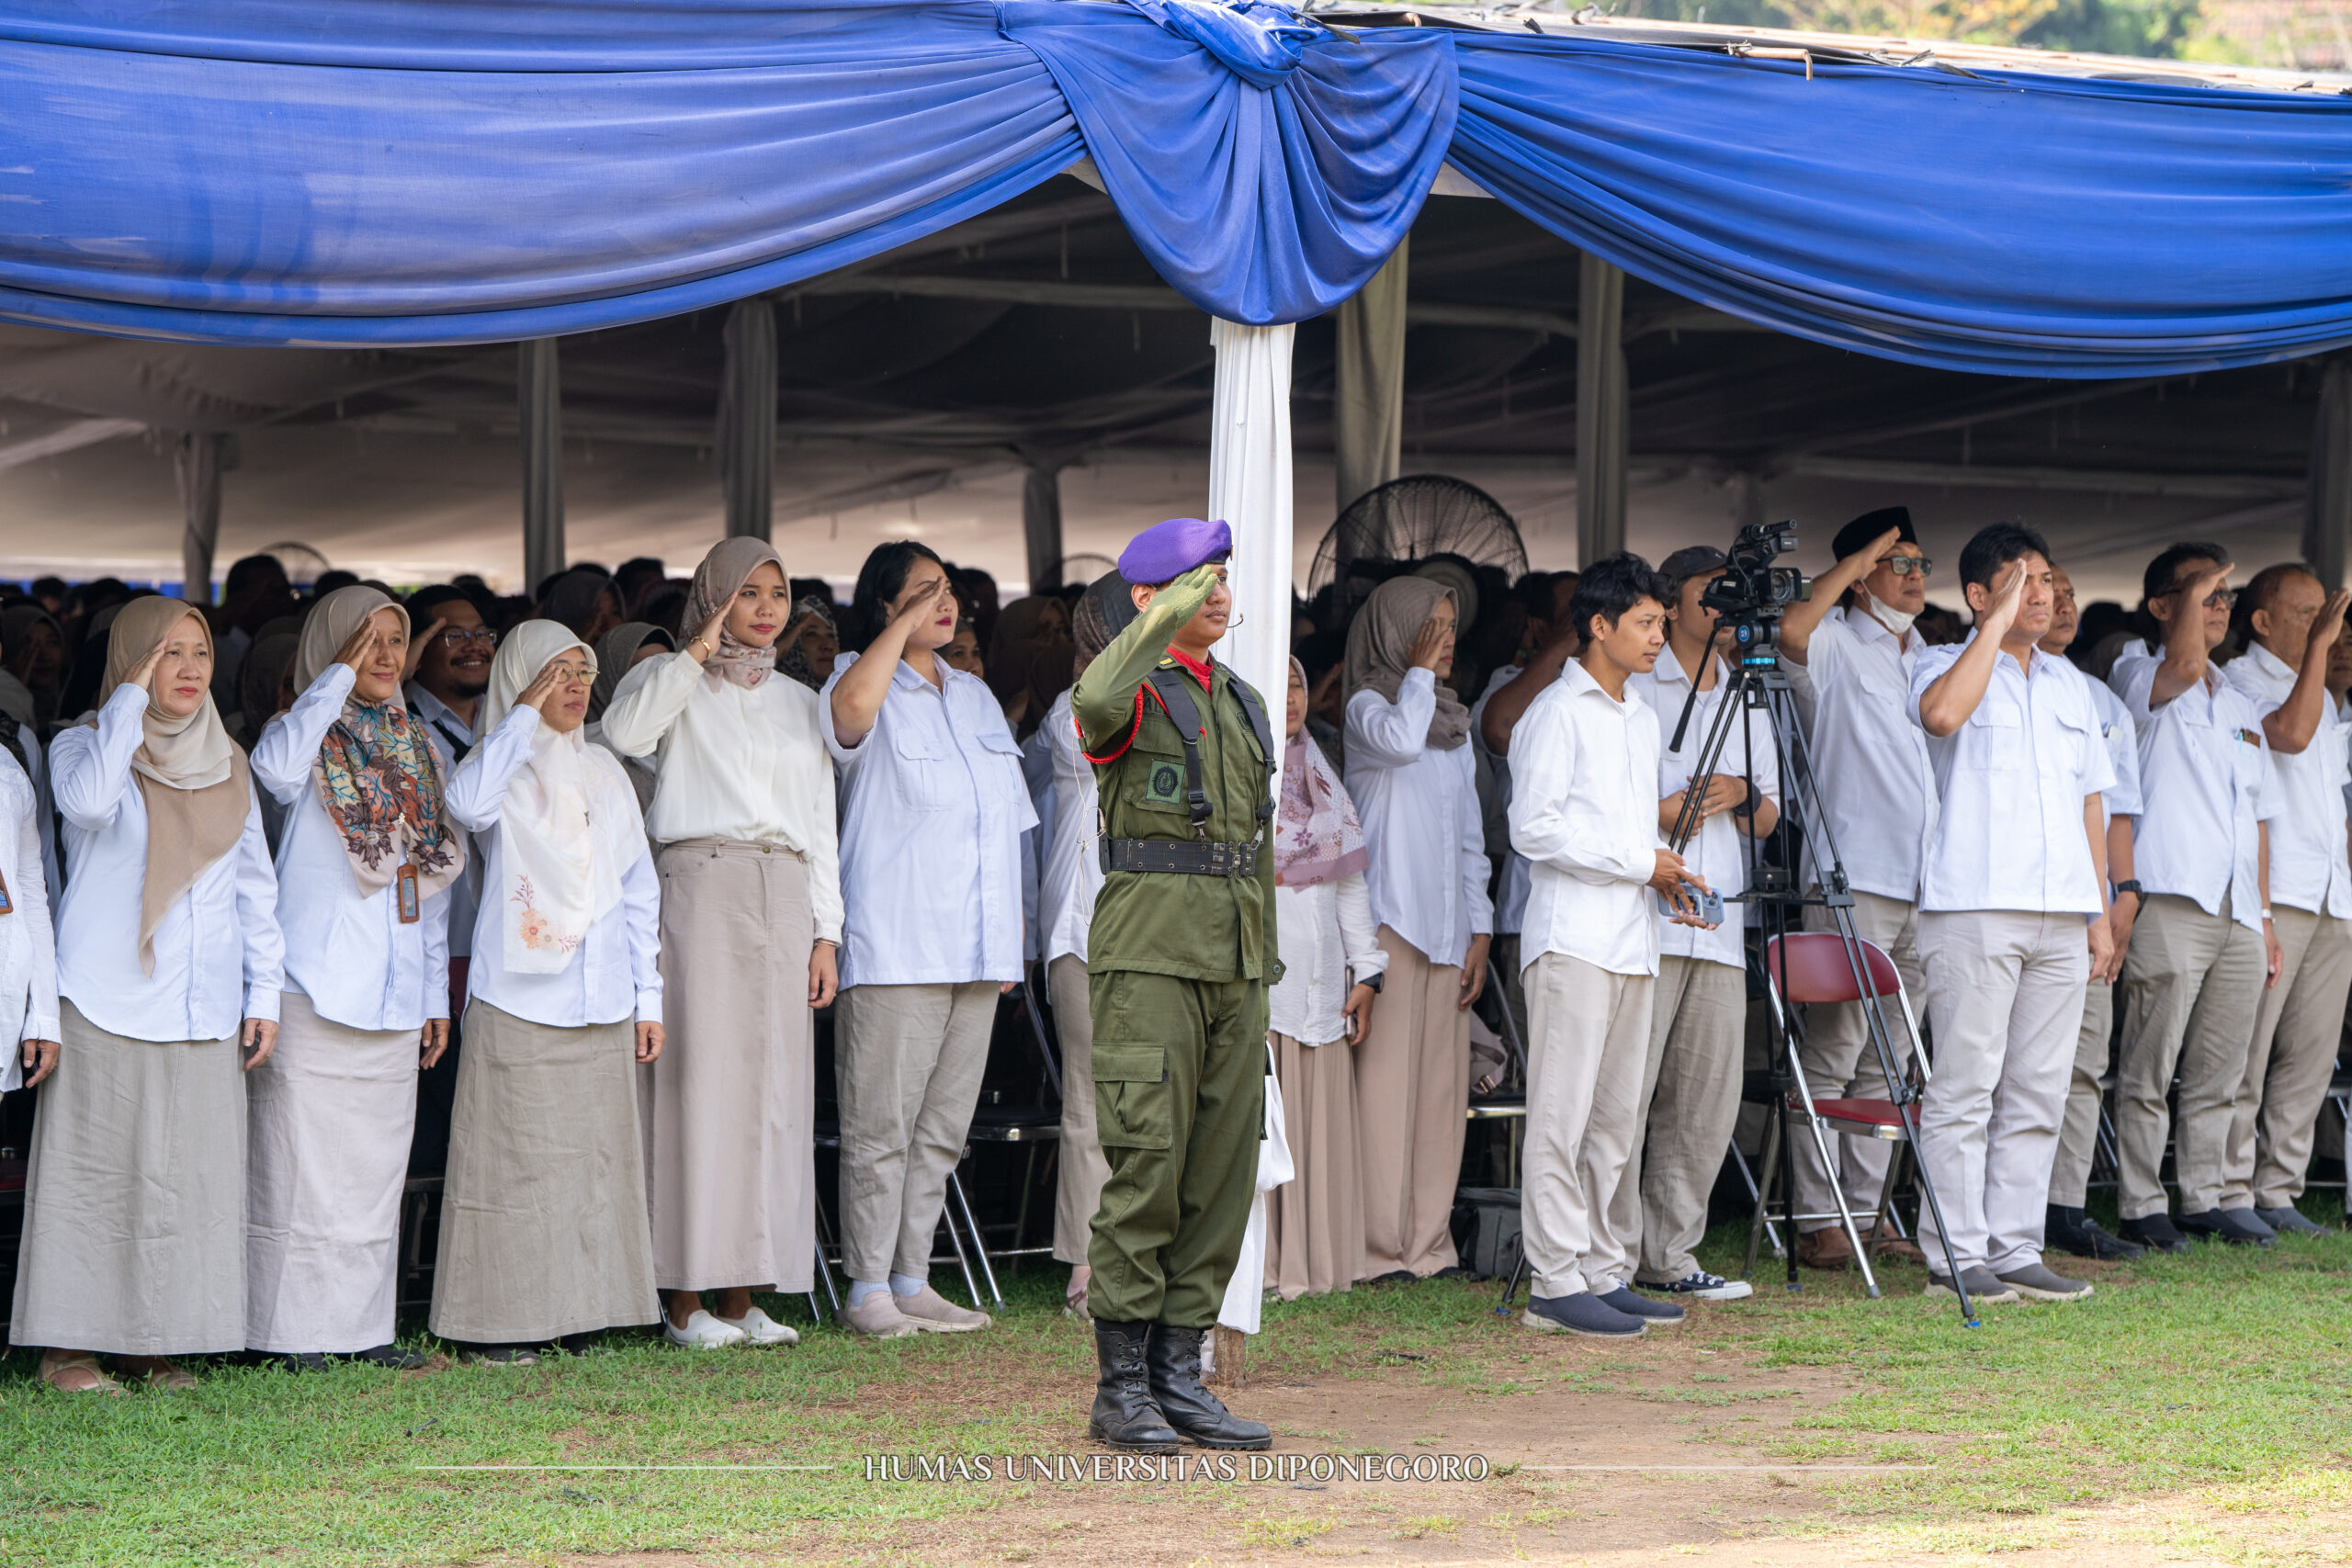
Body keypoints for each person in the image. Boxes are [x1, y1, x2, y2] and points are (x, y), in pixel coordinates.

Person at [12, 598, 283, 1391]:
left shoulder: (229, 762)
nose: (191, 668)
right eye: (167, 653)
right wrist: (125, 701)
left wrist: (262, 991)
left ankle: (152, 1342)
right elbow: (90, 805)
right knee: (95, 1180)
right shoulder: (82, 746)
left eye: (200, 651)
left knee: (181, 1182)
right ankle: (68, 1346)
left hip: (203, 1006)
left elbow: (254, 888)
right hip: (106, 999)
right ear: (132, 661)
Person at [602, 537, 844, 1350]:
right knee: (699, 1088)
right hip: (701, 884)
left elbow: (820, 824)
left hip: (785, 890)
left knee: (772, 1095)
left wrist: (827, 931)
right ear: (713, 599)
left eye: (778, 590)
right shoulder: (665, 680)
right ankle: (682, 1299)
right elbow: (624, 733)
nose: (767, 606)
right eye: (747, 592)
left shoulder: (796, 699)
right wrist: (695, 652)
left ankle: (744, 1296)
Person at [1069, 517, 1278, 1450]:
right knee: (1147, 1166)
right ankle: (1120, 1388)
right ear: (1152, 601)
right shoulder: (1127, 690)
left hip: (1235, 959)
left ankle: (1175, 1374)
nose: (1222, 595)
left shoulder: (1238, 698)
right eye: (1201, 582)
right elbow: (1095, 691)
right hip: (1149, 957)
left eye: (1225, 579)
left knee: (1219, 1176)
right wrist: (1157, 617)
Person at [243, 588, 463, 1370]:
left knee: (373, 1176)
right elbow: (270, 772)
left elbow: (429, 885)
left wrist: (435, 994)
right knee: (299, 1170)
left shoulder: (419, 751)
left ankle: (363, 1334)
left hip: (396, 993)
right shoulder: (298, 737)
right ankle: (292, 1335)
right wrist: (332, 681)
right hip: (311, 986)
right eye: (365, 640)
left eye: (396, 640)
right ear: (331, 648)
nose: (385, 656)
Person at [433, 623, 662, 1363]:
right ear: (522, 681)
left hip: (602, 996)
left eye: (581, 672)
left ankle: (586, 1309)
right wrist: (521, 716)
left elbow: (637, 892)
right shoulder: (499, 764)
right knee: (514, 1165)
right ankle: (498, 1323)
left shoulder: (604, 770)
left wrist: (648, 997)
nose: (572, 684)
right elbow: (465, 806)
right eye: (553, 672)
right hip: (523, 1000)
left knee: (592, 1166)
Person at [820, 541, 1032, 1339]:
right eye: (920, 593)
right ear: (883, 607)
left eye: (948, 591)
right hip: (898, 944)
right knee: (882, 1126)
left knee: (942, 1130)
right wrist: (897, 630)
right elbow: (847, 721)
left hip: (976, 947)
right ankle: (868, 1283)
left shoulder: (975, 697)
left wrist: (1011, 933)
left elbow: (1009, 824)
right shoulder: (857, 676)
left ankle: (913, 1277)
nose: (944, 604)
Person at [1910, 526, 2116, 1305]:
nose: (2043, 595)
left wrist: (2096, 911)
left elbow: (2091, 803)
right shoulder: (1942, 663)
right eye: (2022, 581)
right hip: (1974, 904)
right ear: (1976, 595)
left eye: (2049, 583)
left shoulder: (2070, 685)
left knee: (2038, 1087)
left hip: (2061, 909)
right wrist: (1992, 631)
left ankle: (2016, 1244)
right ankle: (1956, 1254)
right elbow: (1939, 718)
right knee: (1966, 1086)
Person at [1507, 554, 1711, 1338]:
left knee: (1616, 1117)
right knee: (1564, 1113)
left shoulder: (1641, 716)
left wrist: (1661, 879)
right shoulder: (1555, 714)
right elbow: (1534, 827)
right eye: (1648, 622)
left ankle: (1600, 1268)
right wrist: (1639, 861)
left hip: (1631, 937)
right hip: (1572, 941)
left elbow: (1623, 837)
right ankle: (1555, 1281)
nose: (1661, 635)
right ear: (1600, 626)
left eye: (1663, 621)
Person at [1773, 508, 1939, 1269]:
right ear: (1861, 573)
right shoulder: (1837, 640)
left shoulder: (1933, 655)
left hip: (1926, 880)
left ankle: (1866, 1212)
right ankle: (1815, 1216)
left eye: (1918, 562)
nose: (1913, 574)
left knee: (1892, 1053)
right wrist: (1853, 560)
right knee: (1835, 1045)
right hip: (1854, 875)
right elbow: (1791, 632)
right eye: (1895, 561)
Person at [2108, 543, 2281, 1251]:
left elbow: (2260, 817)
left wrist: (2266, 915)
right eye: (2205, 592)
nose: (2220, 606)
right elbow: (2179, 667)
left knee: (2222, 1063)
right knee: (2151, 1060)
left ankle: (2207, 1194)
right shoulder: (2134, 670)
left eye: (2225, 595)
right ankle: (2142, 1199)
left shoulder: (2238, 699)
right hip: (2173, 893)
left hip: (2238, 905)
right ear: (2160, 606)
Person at [1621, 546, 1782, 1303]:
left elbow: (1771, 816)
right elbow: (1611, 803)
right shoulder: (1637, 683)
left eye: (1731, 594)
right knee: (1630, 1090)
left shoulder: (1748, 693)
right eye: (1706, 594)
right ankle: (1610, 1258)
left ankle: (1671, 1254)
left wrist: (1741, 790)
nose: (1721, 608)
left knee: (1705, 1101)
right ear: (1673, 603)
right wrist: (1674, 807)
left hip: (1720, 921)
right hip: (1646, 915)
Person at [1340, 576, 1493, 1284]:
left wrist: (1481, 929)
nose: (1445, 636)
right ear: (1396, 632)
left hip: (1447, 929)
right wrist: (1420, 677)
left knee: (1438, 1094)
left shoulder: (1453, 723)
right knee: (1384, 1093)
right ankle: (1376, 1247)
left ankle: (1427, 1245)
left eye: (1450, 624)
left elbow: (1470, 838)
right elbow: (1402, 742)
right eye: (1429, 623)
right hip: (1390, 924)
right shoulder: (1371, 706)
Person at [2217, 564, 2352, 1237]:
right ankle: (2233, 1186)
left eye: (2325, 612)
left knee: (2310, 1053)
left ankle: (2280, 1188)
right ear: (2262, 620)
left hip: (2331, 893)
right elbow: (2289, 736)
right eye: (2305, 613)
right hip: (2280, 893)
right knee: (2252, 1045)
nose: (2323, 622)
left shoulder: (2325, 696)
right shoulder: (2242, 680)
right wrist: (2323, 652)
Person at [2039, 566, 2149, 1262]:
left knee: (2083, 1062)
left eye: (2072, 595)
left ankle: (2063, 1206)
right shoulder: (1970, 673)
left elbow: (2114, 813)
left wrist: (2125, 894)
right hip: (2022, 901)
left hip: (2091, 907)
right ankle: (1998, 1211)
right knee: (2009, 1067)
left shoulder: (2103, 700)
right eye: (2049, 592)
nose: (2063, 606)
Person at [1266, 655, 1385, 1300]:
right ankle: (1268, 1261)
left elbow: (1349, 885)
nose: (1288, 695)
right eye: (1275, 680)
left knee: (1315, 1124)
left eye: (1297, 682)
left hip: (1323, 984)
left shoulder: (1322, 777)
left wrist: (1368, 972)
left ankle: (1315, 1262)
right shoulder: (1244, 773)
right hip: (1268, 989)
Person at [1038, 572, 1129, 1318]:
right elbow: (1101, 741)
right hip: (1087, 927)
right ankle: (1087, 1263)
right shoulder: (1071, 713)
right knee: (1092, 1101)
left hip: (1156, 926)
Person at [402, 584, 495, 1176]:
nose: (472, 647)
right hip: (425, 952)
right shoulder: (394, 724)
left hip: (494, 952)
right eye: (450, 635)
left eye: (481, 634)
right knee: (429, 1137)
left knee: (487, 1129)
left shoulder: (513, 720)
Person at [585, 621, 676, 817]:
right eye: (639, 668)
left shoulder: (681, 751)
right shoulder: (580, 753)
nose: (651, 681)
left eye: (662, 670)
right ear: (611, 672)